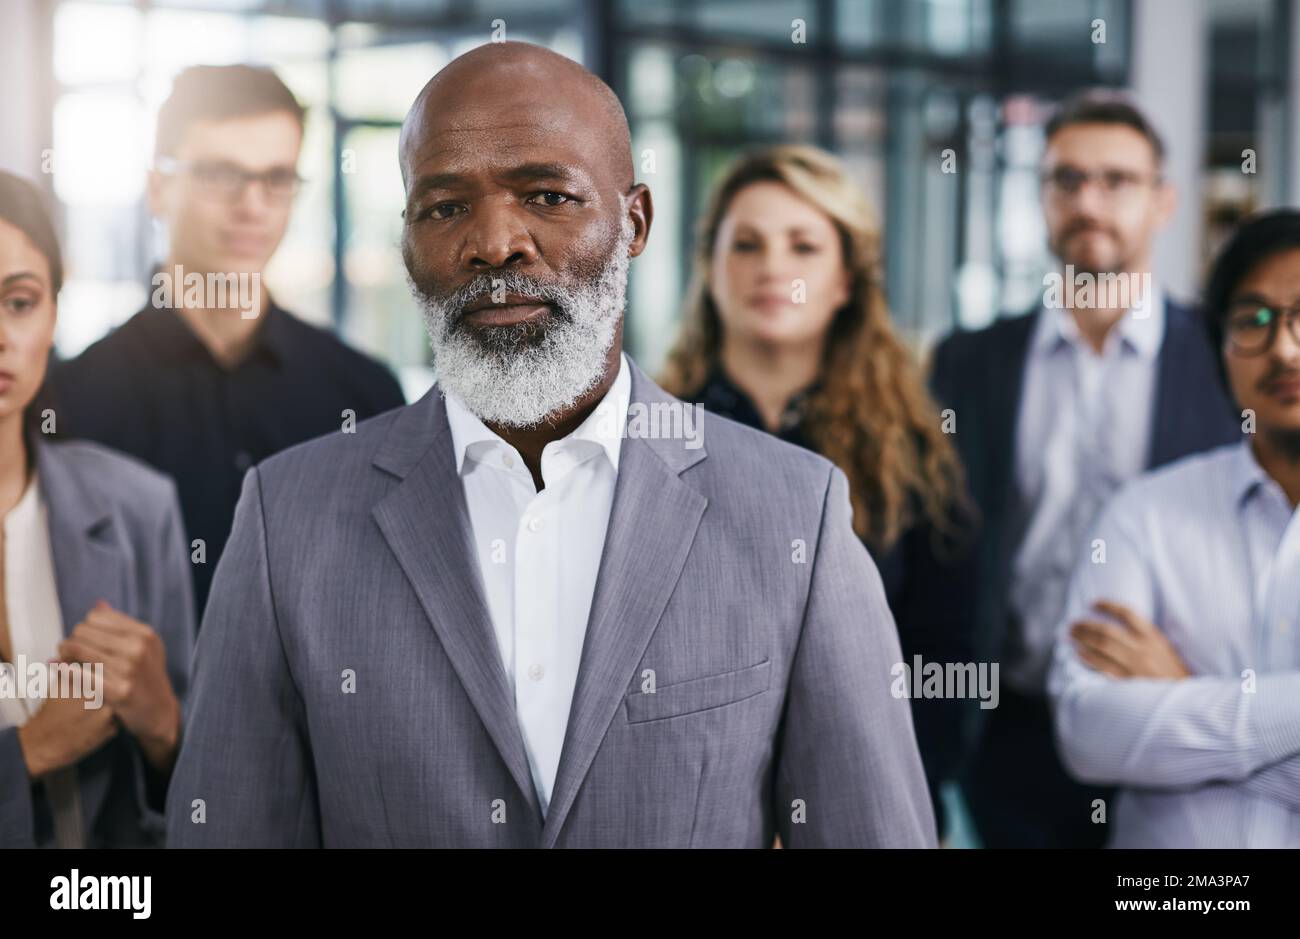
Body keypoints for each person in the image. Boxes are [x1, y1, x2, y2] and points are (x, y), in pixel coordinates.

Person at [165, 42, 936, 848]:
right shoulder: (285, 519)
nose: (495, 243)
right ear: (407, 242)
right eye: (445, 207)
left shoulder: (794, 512)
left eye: (546, 195)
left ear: (633, 222)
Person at [928, 91, 1241, 847]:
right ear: (1042, 196)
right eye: (1067, 180)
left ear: (1164, 202)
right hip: (1008, 731)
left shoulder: (1227, 358)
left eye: (1117, 181)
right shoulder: (969, 360)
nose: (1089, 202)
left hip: (1173, 716)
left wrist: (1206, 692)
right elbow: (940, 541)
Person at [659, 144, 978, 841]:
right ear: (710, 272)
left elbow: (941, 665)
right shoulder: (646, 434)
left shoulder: (915, 455)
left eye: (803, 245)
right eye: (746, 244)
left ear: (846, 280)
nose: (772, 265)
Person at [50, 65, 405, 622]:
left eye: (277, 178)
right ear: (157, 188)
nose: (253, 205)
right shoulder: (70, 403)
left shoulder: (363, 392)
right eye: (221, 175)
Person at [1048, 209, 1300, 847]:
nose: (1283, 348)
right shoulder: (1145, 514)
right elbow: (1086, 733)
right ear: (1220, 345)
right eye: (1253, 321)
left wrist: (1184, 696)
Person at [0, 171, 193, 848]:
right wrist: (23, 752)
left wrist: (164, 720)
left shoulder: (137, 505)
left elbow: (216, 792)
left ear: (53, 310)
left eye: (19, 301)